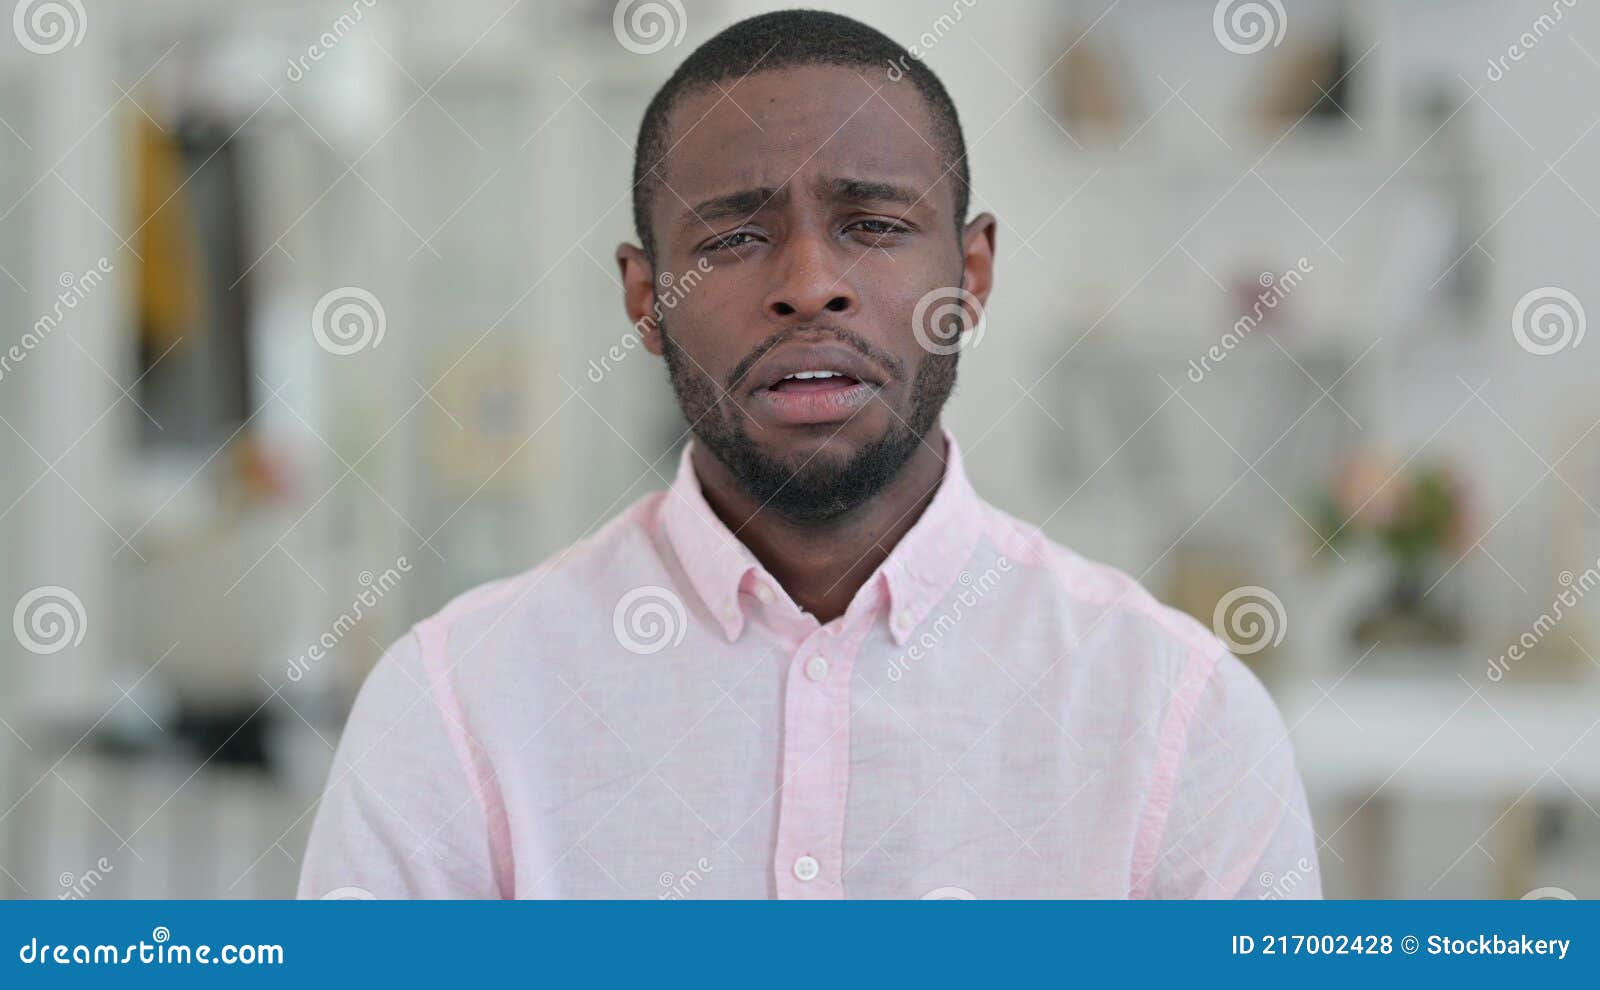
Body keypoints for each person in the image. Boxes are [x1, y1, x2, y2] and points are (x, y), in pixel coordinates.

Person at [299, 9, 1319, 899]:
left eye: (872, 224)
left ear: (970, 277)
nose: (807, 286)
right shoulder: (456, 703)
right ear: (645, 300)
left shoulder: (1177, 714)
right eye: (732, 240)